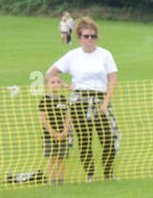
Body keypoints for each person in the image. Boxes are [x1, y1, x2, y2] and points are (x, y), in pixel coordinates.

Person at [48, 17, 119, 182]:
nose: (90, 40)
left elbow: (113, 80)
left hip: (101, 100)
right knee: (85, 141)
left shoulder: (105, 54)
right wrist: (66, 85)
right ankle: (90, 176)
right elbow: (51, 72)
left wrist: (106, 102)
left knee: (108, 140)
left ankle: (108, 174)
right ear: (79, 37)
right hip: (79, 102)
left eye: (93, 36)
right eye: (86, 36)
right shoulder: (72, 56)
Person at [39, 72, 72, 184]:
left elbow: (68, 116)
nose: (55, 84)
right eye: (52, 82)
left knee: (62, 158)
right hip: (49, 135)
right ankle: (52, 179)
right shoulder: (44, 100)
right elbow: (43, 119)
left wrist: (65, 131)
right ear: (47, 85)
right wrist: (53, 133)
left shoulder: (63, 99)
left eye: (58, 82)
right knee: (53, 158)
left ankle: (60, 180)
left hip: (63, 134)